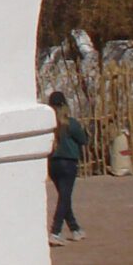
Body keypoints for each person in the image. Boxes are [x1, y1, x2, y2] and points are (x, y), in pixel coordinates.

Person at [45, 91, 88, 245]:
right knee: (64, 197)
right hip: (68, 163)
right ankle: (55, 231)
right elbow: (83, 139)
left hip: (53, 164)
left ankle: (75, 229)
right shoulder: (70, 123)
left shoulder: (49, 126)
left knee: (64, 196)